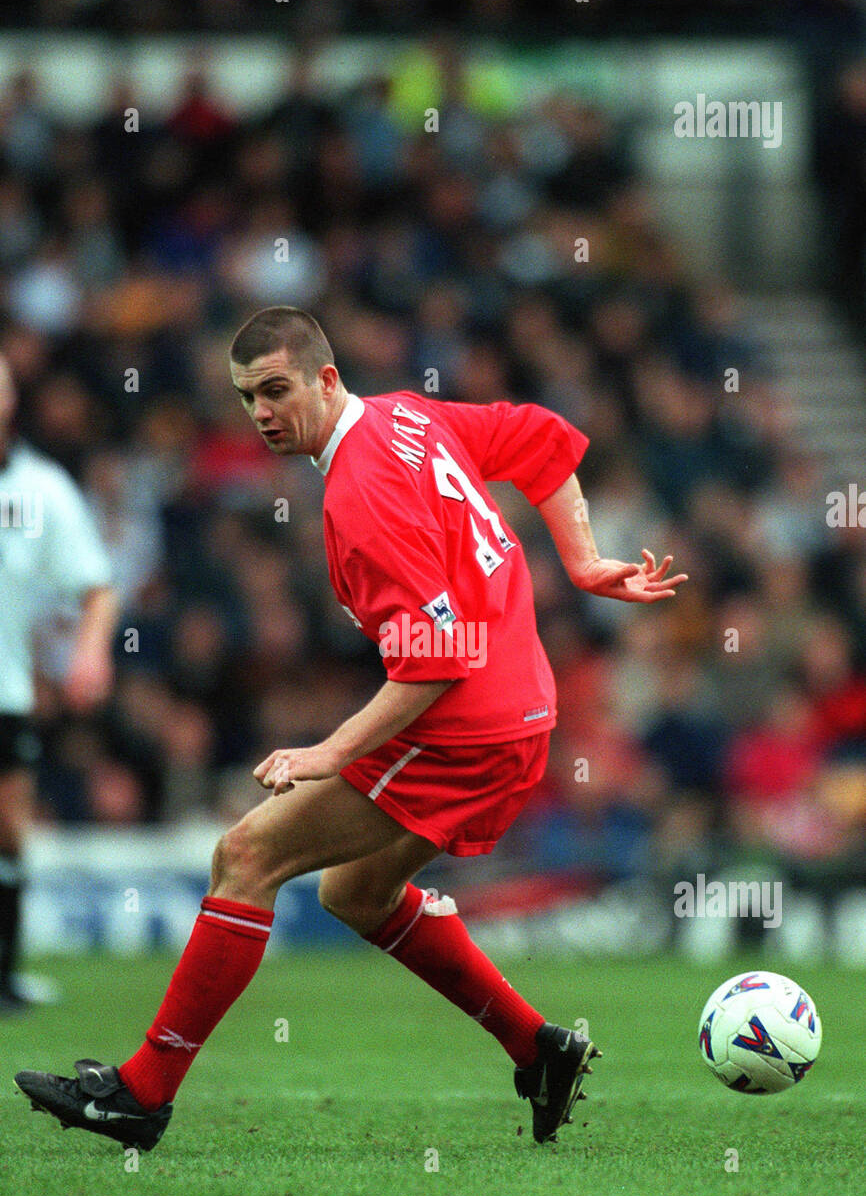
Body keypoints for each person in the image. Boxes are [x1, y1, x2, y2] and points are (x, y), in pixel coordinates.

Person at [16, 306, 685, 1146]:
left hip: (466, 723)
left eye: (275, 389)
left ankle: (143, 1093)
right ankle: (538, 1046)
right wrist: (581, 560)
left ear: (326, 380)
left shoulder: (361, 491)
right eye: (246, 397)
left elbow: (437, 659)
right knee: (354, 891)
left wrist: (328, 751)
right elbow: (540, 439)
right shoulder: (409, 414)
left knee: (248, 854)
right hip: (511, 709)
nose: (260, 412)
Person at [0, 355, 116, 1014]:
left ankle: (5, 975)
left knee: (9, 832)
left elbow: (95, 587)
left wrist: (89, 654)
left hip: (5, 690)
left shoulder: (40, 491)